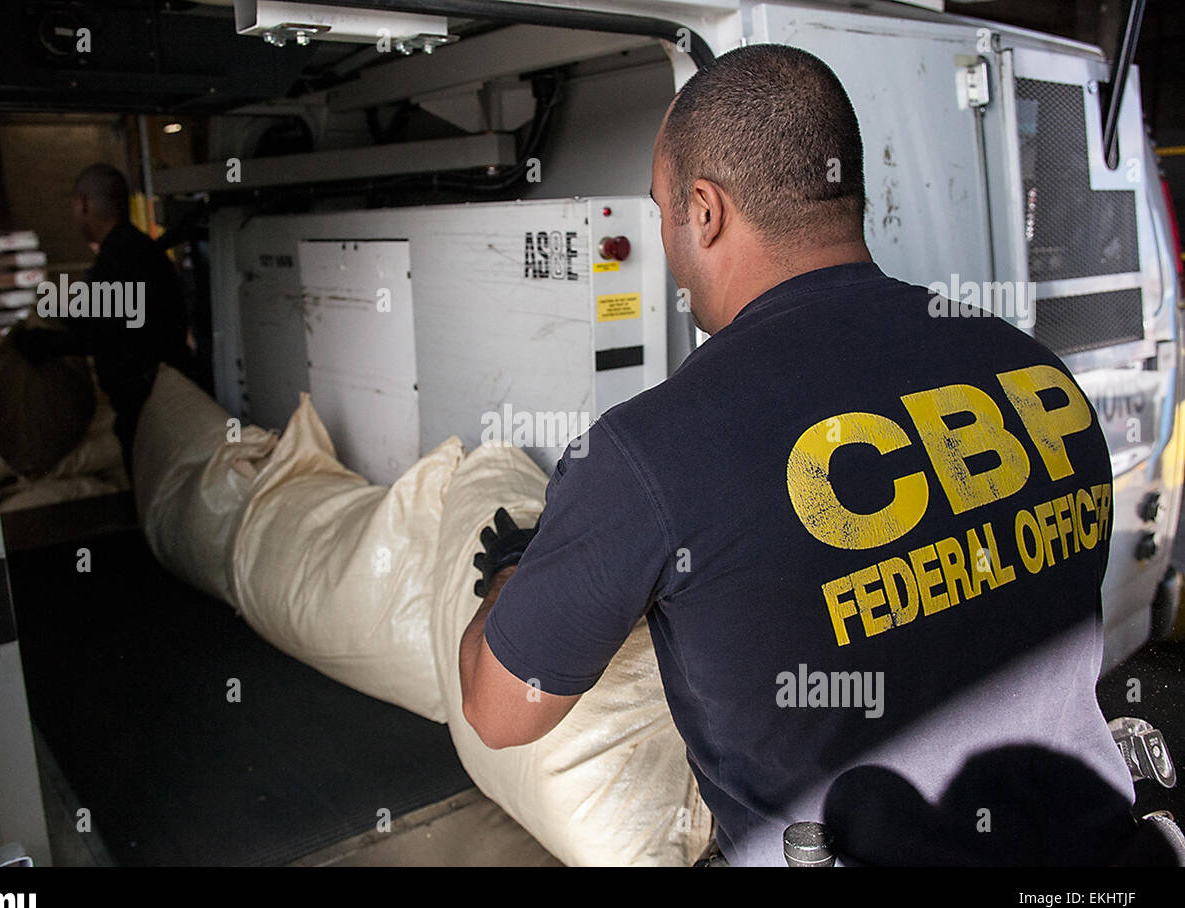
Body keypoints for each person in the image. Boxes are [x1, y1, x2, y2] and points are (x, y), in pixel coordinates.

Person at [459, 44, 1140, 865]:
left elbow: (501, 711)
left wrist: (515, 576)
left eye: (664, 211)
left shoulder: (649, 451)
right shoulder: (1035, 373)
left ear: (704, 211)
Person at [10, 163, 194, 475]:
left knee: (154, 478)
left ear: (84, 204)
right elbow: (105, 318)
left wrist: (47, 343)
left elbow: (108, 333)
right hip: (158, 394)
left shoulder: (119, 257)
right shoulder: (134, 249)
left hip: (148, 400)